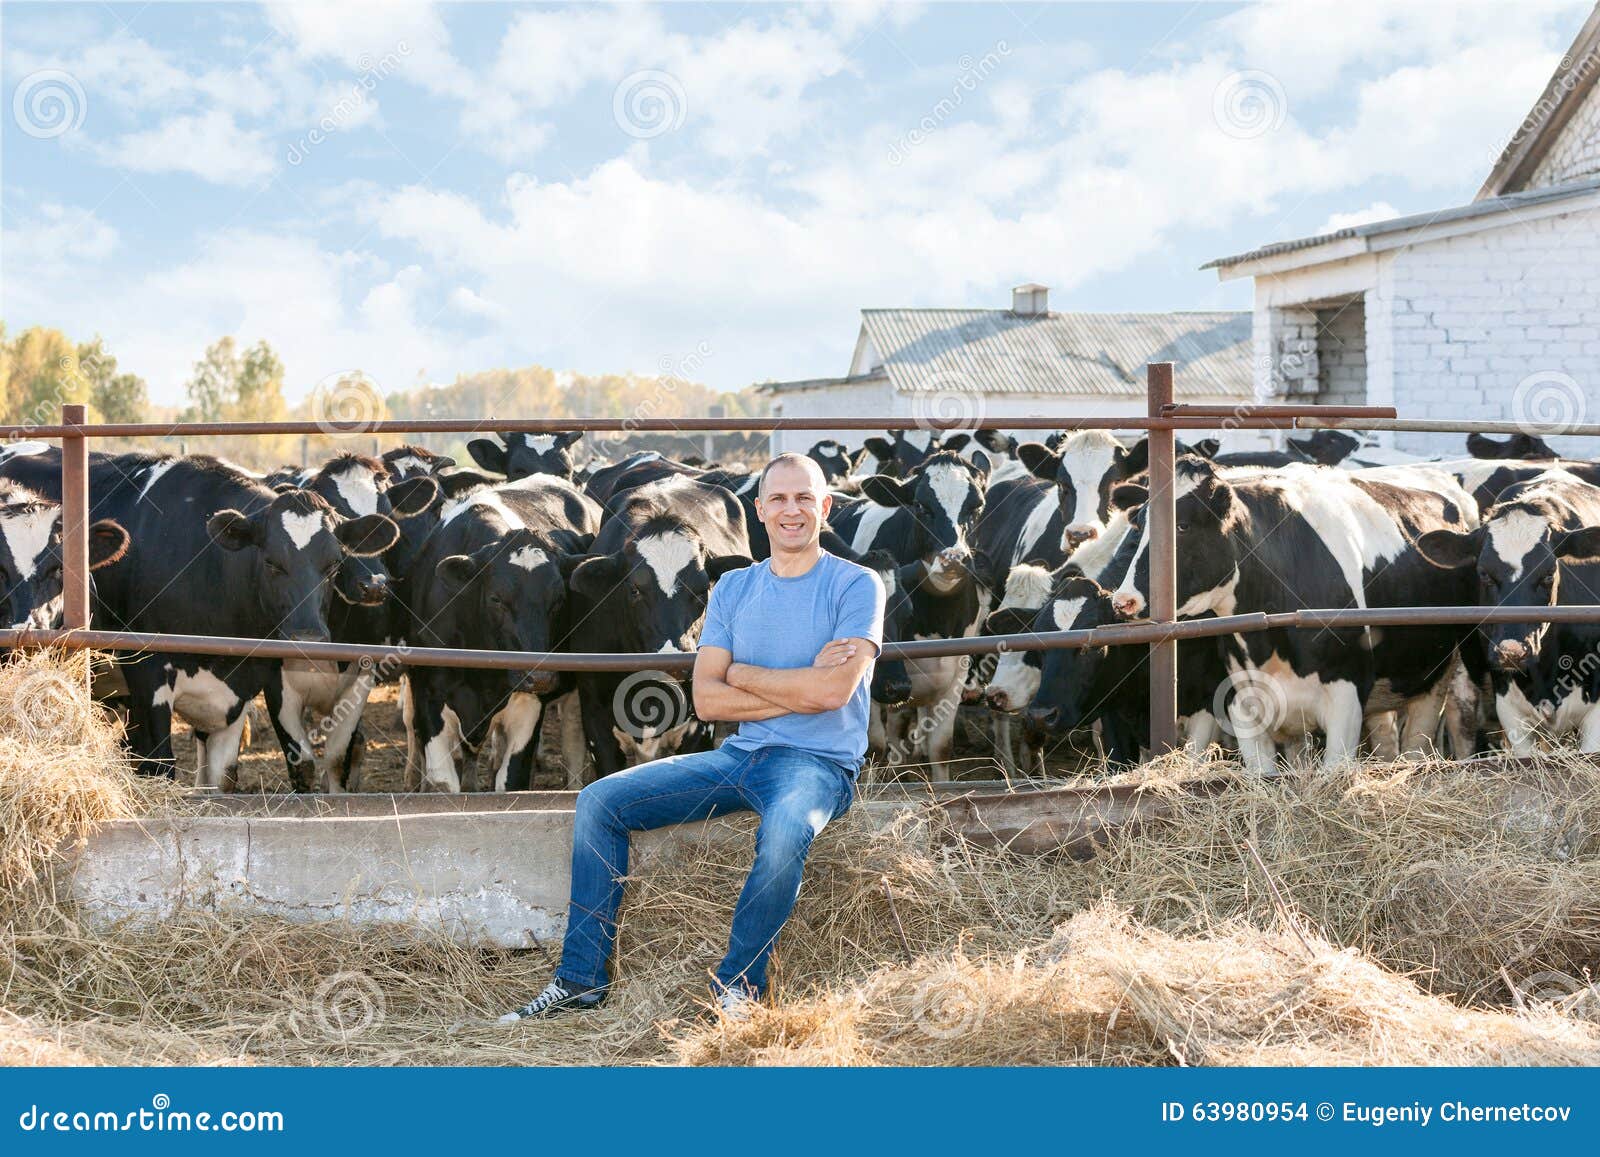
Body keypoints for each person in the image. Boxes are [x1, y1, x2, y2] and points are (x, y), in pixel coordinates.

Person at [501, 452, 885, 1022]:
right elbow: (706, 699)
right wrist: (801, 680)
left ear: (825, 507)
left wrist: (744, 675)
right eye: (778, 499)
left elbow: (833, 696)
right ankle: (579, 980)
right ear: (758, 510)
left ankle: (737, 991)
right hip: (740, 755)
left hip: (818, 764)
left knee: (784, 833)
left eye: (805, 498)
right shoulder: (731, 587)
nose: (791, 510)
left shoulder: (857, 584)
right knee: (600, 801)